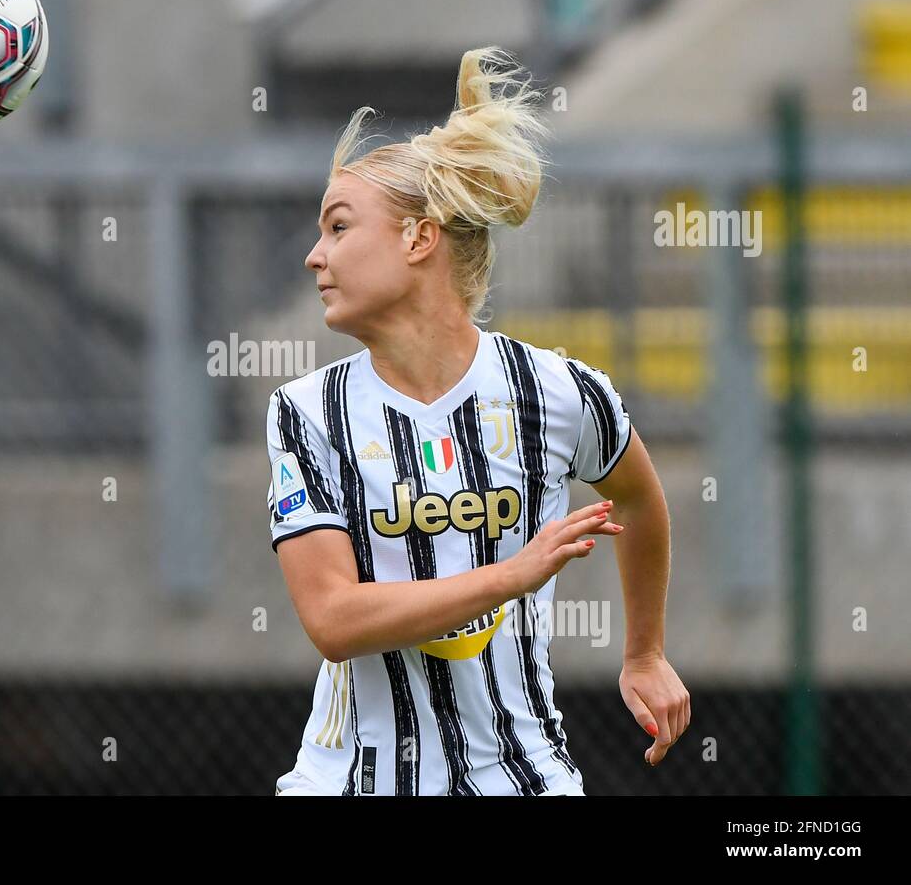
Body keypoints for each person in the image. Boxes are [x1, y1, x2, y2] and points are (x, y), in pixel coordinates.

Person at [265, 46, 689, 796]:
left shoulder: (555, 389)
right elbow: (333, 618)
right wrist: (510, 575)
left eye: (337, 228)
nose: (314, 257)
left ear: (418, 238)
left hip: (520, 779)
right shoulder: (308, 413)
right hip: (351, 782)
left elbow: (638, 497)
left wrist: (646, 651)